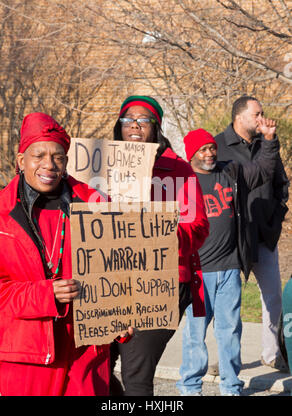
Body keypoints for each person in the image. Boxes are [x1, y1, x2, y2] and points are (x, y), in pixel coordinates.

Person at [0, 112, 114, 396]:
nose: (49, 164)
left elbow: (118, 270)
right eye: (39, 155)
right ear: (21, 160)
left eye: (58, 157)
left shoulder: (97, 205)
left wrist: (123, 315)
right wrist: (46, 295)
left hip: (86, 348)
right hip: (25, 353)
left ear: (67, 163)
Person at [109, 95, 210, 396]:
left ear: (156, 128)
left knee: (136, 373)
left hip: (161, 282)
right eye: (129, 120)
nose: (136, 125)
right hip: (109, 282)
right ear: (119, 127)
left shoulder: (179, 170)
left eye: (145, 120)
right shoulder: (102, 167)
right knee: (94, 368)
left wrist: (161, 233)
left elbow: (200, 227)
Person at [176, 126, 280, 396]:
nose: (210, 153)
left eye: (212, 148)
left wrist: (269, 140)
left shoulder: (230, 171)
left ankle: (231, 386)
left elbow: (262, 170)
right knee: (195, 334)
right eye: (203, 149)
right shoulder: (183, 181)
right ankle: (189, 387)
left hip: (229, 269)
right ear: (191, 154)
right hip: (198, 273)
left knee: (231, 330)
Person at [215, 96, 290, 372]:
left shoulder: (266, 143)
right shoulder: (218, 147)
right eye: (257, 114)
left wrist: (275, 215)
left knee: (272, 298)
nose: (262, 118)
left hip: (264, 234)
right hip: (232, 239)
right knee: (228, 304)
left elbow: (281, 182)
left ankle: (271, 354)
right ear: (240, 117)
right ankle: (227, 358)